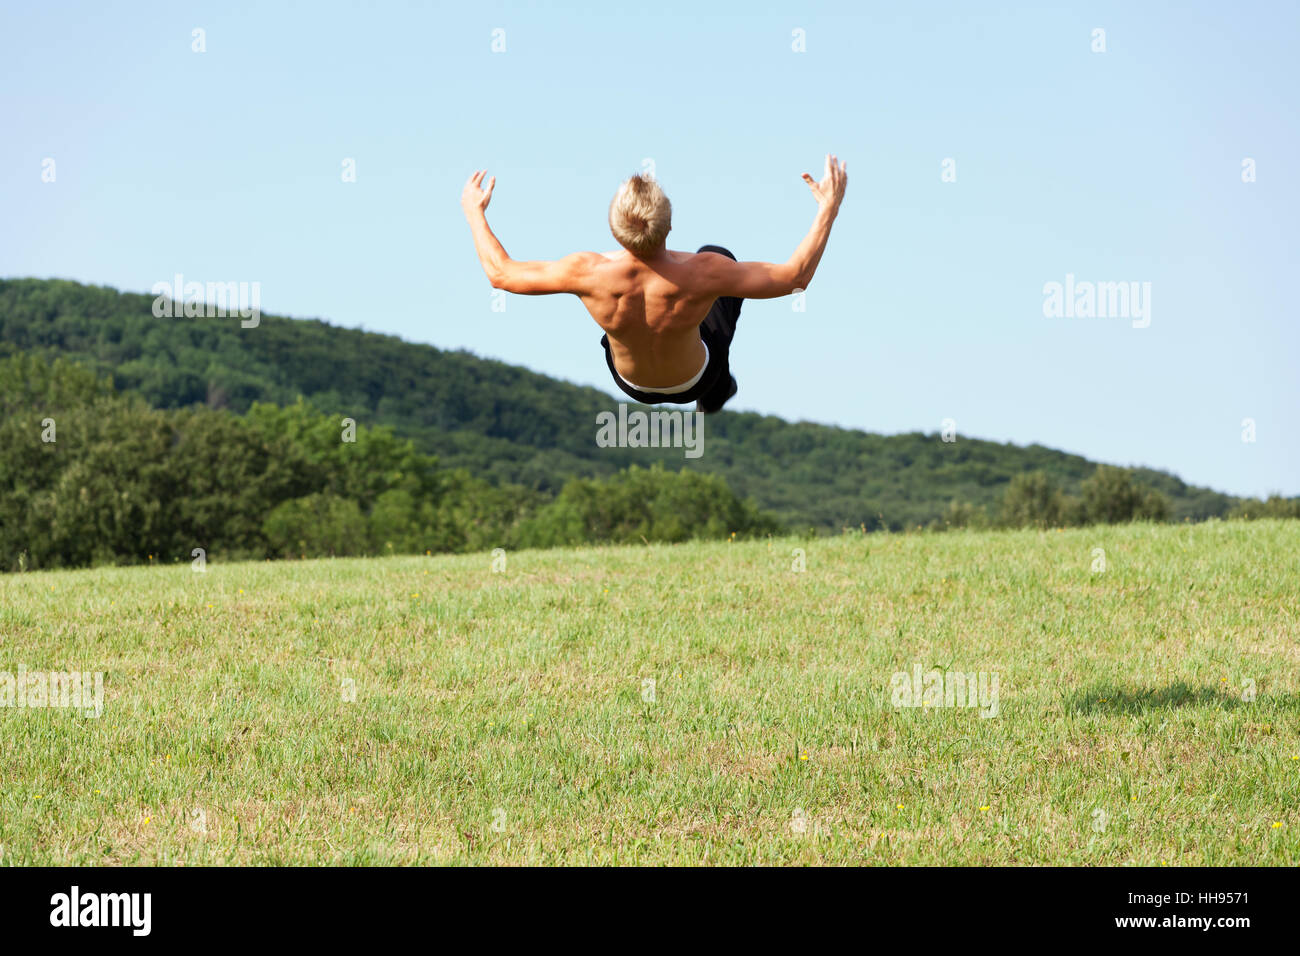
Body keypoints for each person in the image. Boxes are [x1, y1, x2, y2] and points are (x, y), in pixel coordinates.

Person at [462, 155, 847, 413]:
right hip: (696, 380)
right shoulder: (705, 271)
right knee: (720, 260)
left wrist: (474, 213)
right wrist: (828, 208)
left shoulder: (586, 271)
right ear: (670, 226)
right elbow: (796, 277)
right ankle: (717, 392)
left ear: (614, 232)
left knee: (617, 322)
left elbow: (501, 273)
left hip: (629, 382)